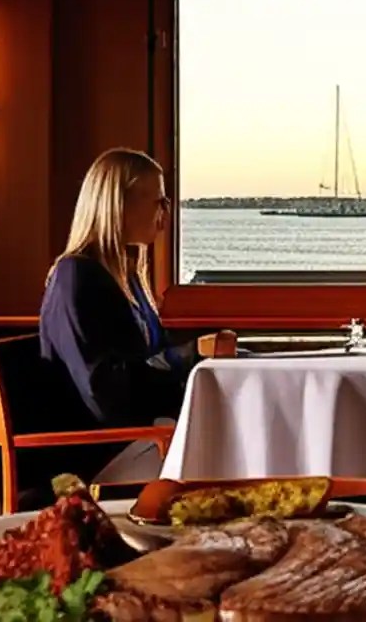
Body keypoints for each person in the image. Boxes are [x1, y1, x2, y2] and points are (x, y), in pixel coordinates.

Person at [39, 147, 233, 485]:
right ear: (120, 205)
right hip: (94, 452)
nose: (166, 211)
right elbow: (106, 396)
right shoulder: (75, 277)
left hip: (138, 435)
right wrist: (193, 354)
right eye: (158, 201)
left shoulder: (129, 280)